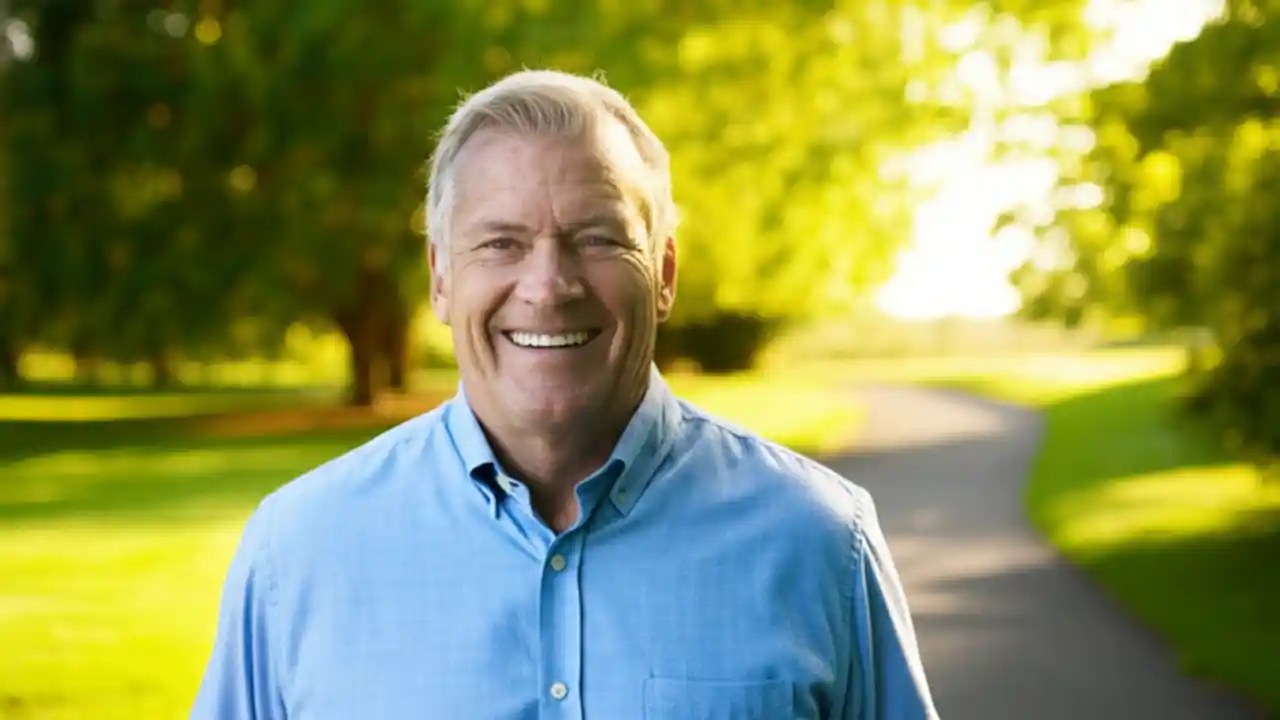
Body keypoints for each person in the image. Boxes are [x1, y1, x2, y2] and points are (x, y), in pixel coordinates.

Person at [193, 69, 938, 719]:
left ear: (666, 274)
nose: (549, 287)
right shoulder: (297, 552)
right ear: (441, 277)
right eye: (500, 244)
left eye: (597, 238)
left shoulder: (817, 540)